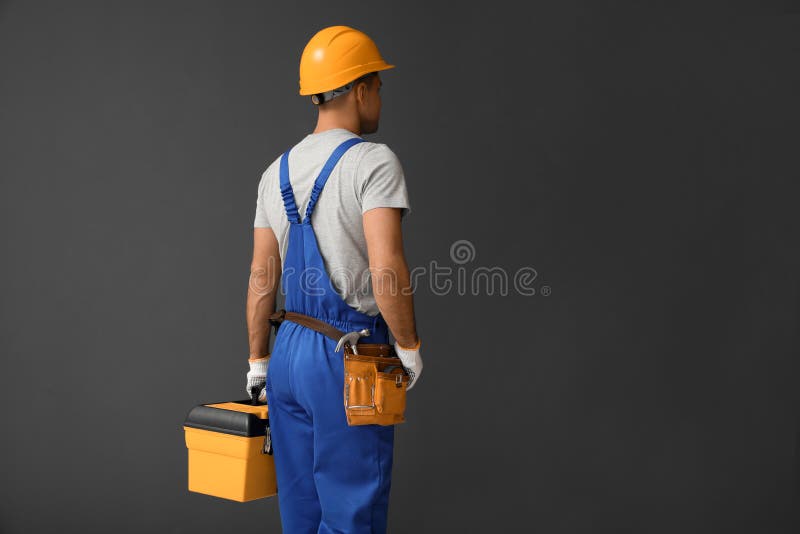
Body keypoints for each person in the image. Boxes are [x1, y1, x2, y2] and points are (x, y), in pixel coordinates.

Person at [243, 26, 423, 533]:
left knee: (300, 515)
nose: (380, 97)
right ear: (360, 89)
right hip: (350, 357)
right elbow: (386, 267)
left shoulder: (275, 172)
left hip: (288, 355)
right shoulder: (373, 162)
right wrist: (408, 346)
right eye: (378, 86)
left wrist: (259, 361)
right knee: (352, 514)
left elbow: (261, 276)